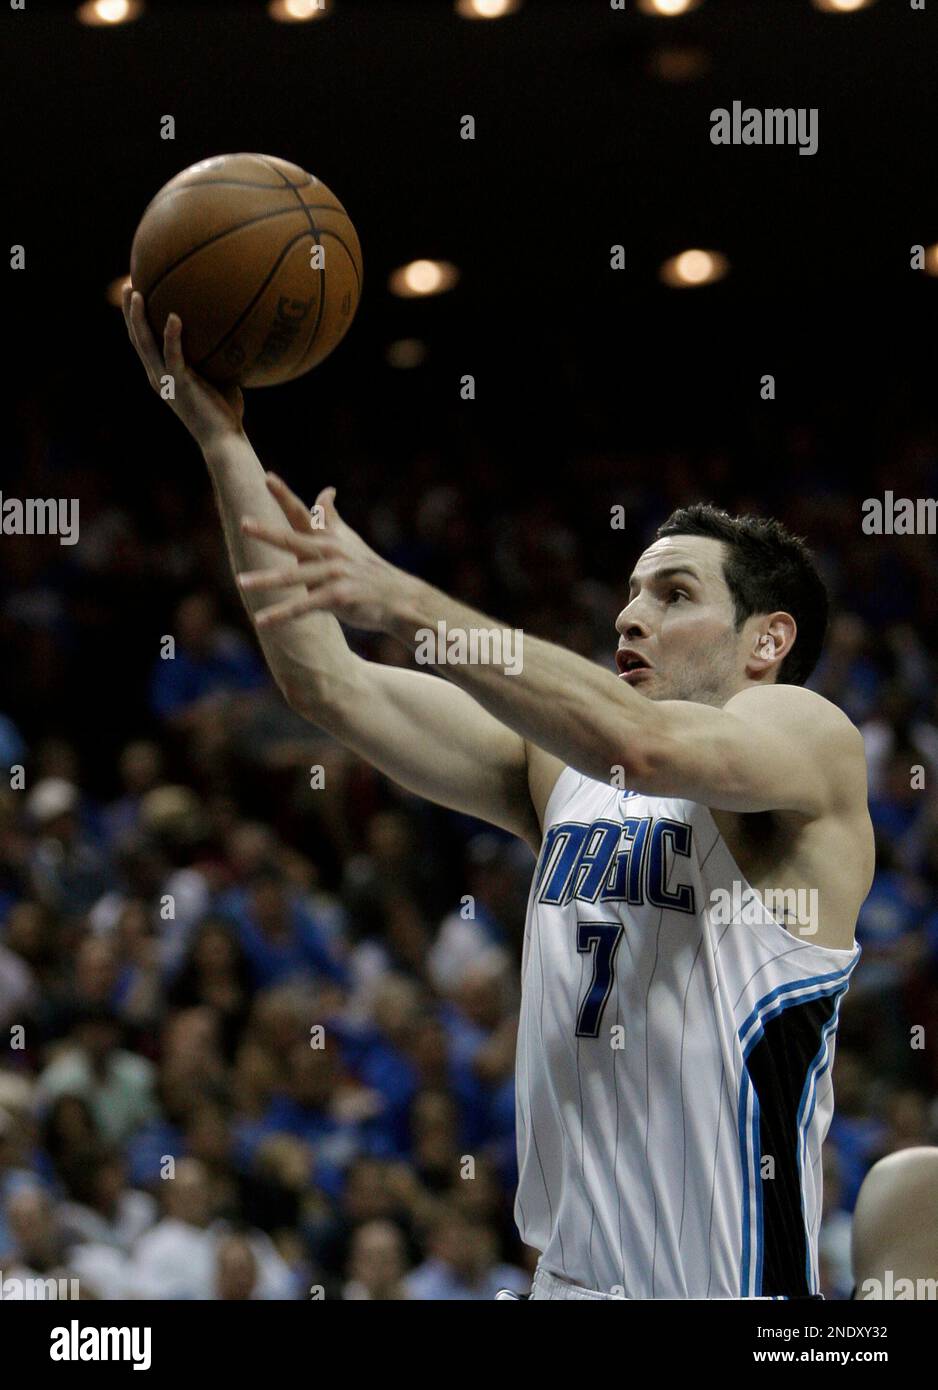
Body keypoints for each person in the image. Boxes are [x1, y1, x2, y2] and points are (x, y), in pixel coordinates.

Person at [122, 290, 875, 1300]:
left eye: (673, 594)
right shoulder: (560, 772)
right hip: (558, 1281)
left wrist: (395, 597)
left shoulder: (806, 740)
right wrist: (221, 441)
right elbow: (326, 680)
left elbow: (641, 746)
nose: (629, 614)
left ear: (766, 640)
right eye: (631, 588)